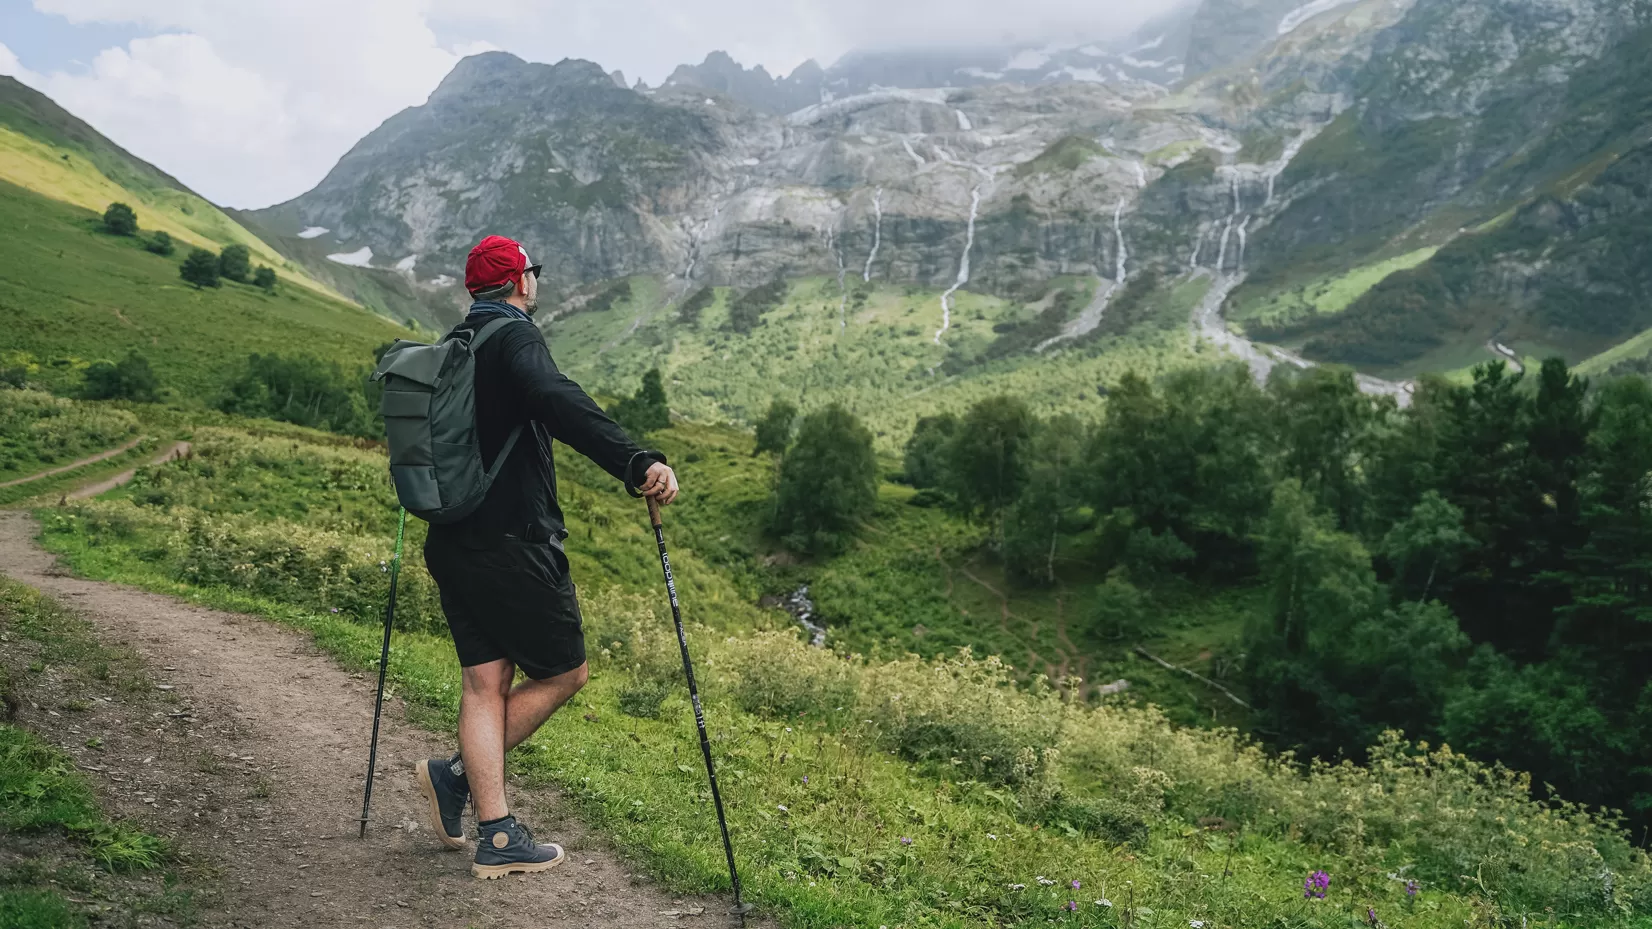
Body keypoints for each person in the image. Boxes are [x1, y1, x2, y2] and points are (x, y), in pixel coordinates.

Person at [413, 235, 679, 880]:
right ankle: (457, 779)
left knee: (484, 684)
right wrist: (635, 460)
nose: (536, 281)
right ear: (520, 282)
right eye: (534, 271)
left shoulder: (455, 345)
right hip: (512, 543)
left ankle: (495, 832)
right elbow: (558, 400)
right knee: (565, 673)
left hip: (452, 538)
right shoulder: (515, 337)